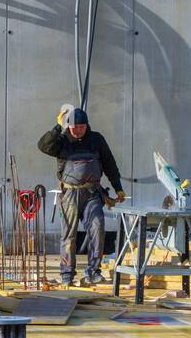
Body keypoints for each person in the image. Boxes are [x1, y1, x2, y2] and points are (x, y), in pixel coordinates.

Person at [37, 106, 126, 286]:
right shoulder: (61, 141)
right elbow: (43, 146)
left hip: (93, 193)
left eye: (82, 126)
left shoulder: (96, 139)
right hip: (69, 194)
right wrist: (57, 126)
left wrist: (118, 187)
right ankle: (67, 275)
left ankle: (93, 271)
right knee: (68, 235)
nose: (78, 130)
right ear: (67, 126)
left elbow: (109, 163)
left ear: (87, 125)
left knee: (97, 228)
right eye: (74, 127)